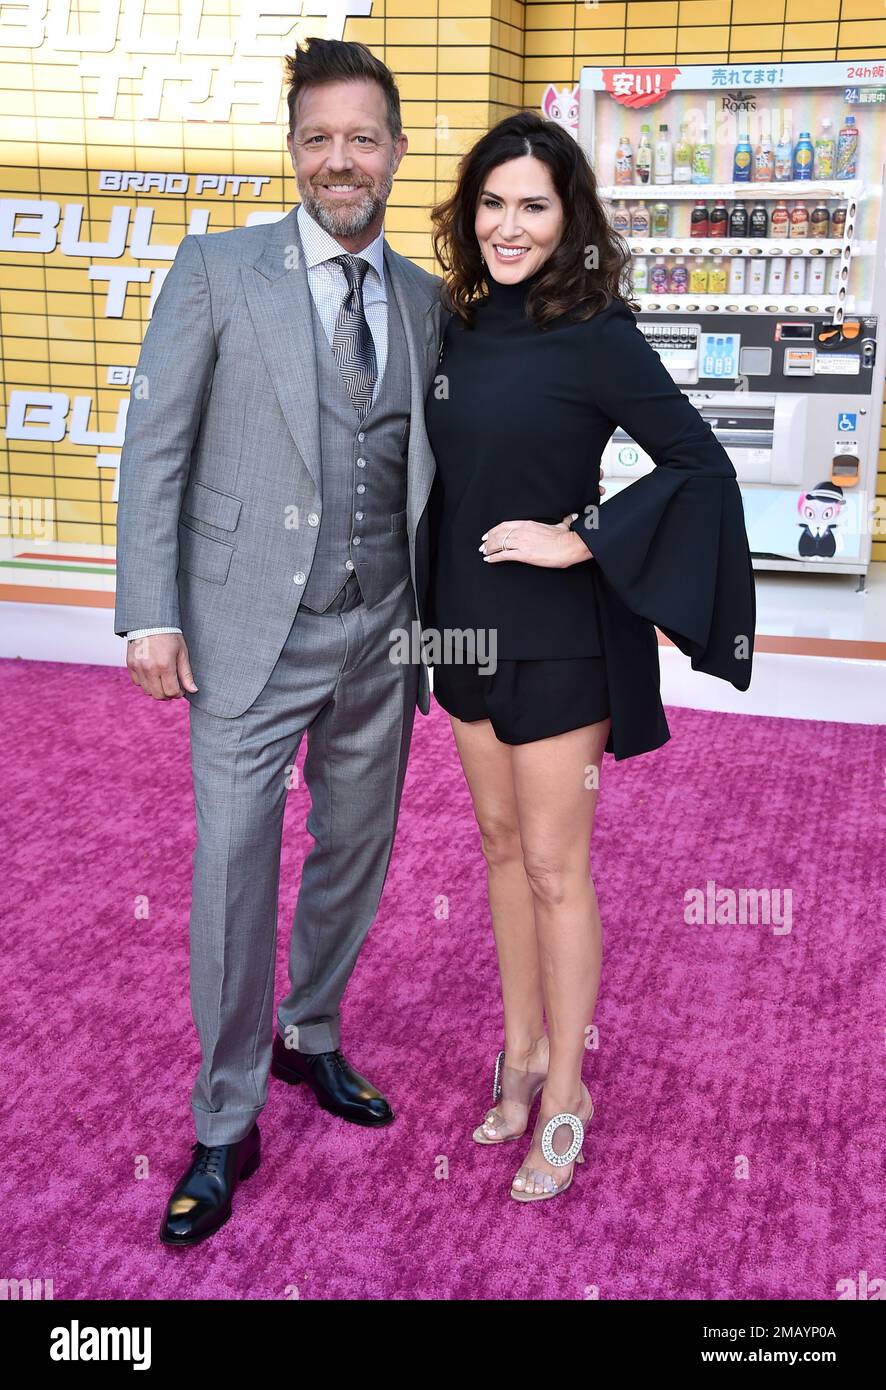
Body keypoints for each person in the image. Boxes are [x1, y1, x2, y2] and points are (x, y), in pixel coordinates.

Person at [114, 38, 443, 1246]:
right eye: (318, 138)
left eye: (362, 137)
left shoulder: (420, 299)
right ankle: (223, 1114)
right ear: (292, 151)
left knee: (354, 853)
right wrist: (149, 609)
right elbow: (155, 446)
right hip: (245, 632)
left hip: (380, 635)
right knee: (233, 872)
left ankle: (312, 1033)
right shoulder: (216, 269)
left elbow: (426, 469)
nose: (339, 159)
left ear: (395, 151)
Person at [424, 111, 756, 1202]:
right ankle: (520, 1050)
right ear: (467, 213)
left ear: (567, 221)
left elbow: (699, 466)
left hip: (561, 638)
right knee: (498, 847)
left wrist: (585, 538)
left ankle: (566, 1086)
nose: (507, 226)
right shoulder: (453, 325)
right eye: (491, 203)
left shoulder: (596, 331)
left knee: (557, 868)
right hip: (459, 626)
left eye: (532, 206)